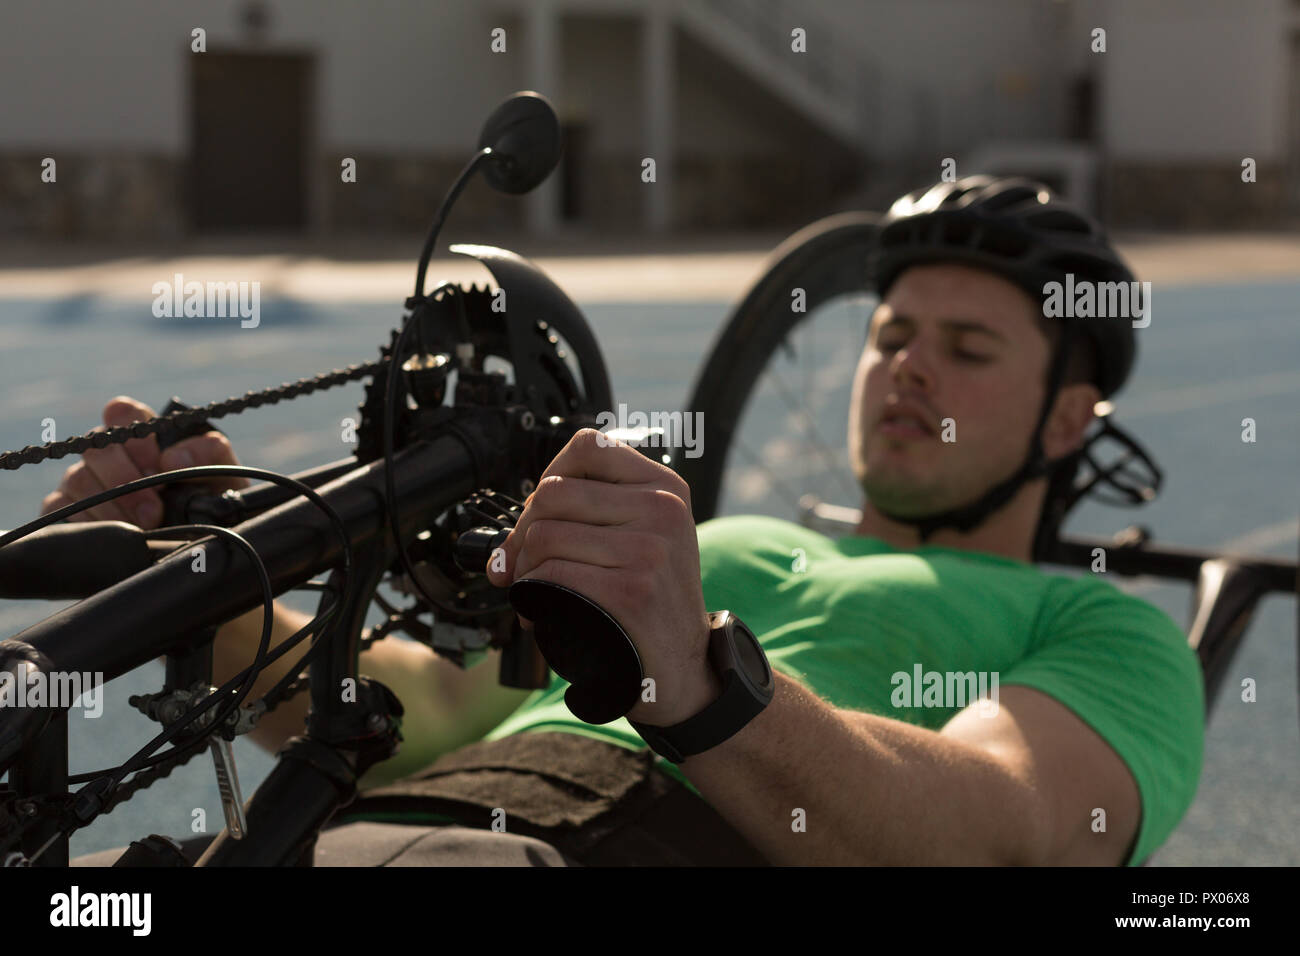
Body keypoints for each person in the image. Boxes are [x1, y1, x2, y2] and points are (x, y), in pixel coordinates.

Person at [59, 176, 1202, 867]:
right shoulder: (736, 547)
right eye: (892, 337)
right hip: (393, 827)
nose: (907, 371)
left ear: (1064, 420)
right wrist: (206, 574)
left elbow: (1000, 833)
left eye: (965, 350)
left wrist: (702, 678)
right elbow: (425, 713)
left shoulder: (1102, 627)